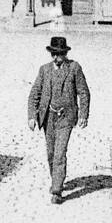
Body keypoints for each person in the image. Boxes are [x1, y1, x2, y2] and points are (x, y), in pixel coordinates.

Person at [27, 35, 90, 204]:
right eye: (53, 54)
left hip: (66, 117)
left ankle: (57, 190)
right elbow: (35, 94)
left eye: (59, 54)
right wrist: (32, 116)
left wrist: (83, 115)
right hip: (48, 117)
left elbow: (83, 92)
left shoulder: (74, 68)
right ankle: (56, 179)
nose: (56, 57)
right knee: (51, 153)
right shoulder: (44, 70)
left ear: (65, 53)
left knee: (60, 153)